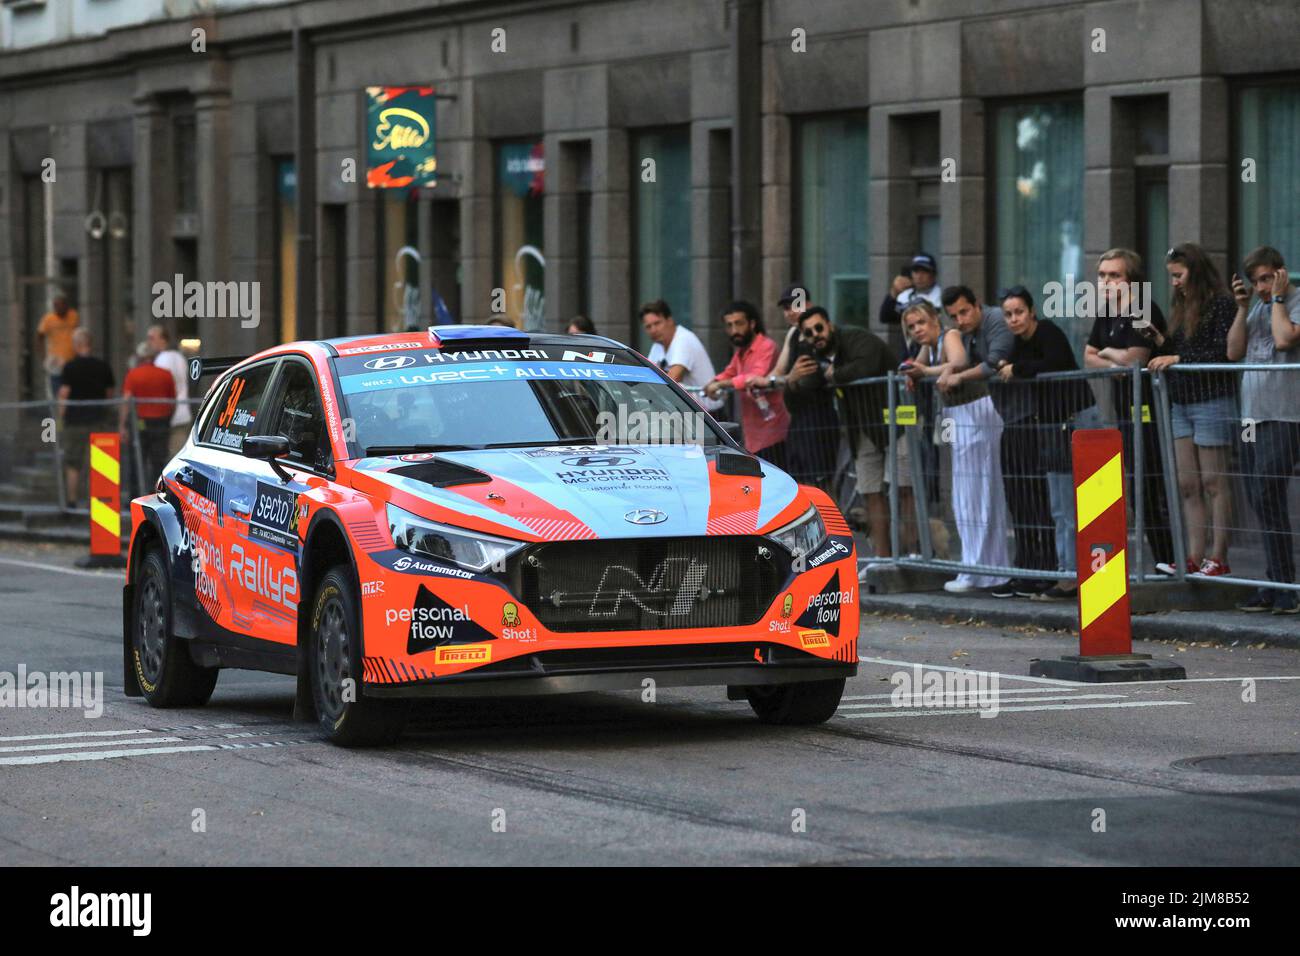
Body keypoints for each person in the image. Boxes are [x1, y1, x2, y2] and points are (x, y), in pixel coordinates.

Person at [787, 307, 915, 562]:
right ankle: (882, 558)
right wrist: (793, 379)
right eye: (809, 333)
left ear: (830, 325)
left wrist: (833, 374)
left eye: (819, 328)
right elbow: (803, 397)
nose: (816, 335)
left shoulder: (856, 338)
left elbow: (865, 366)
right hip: (862, 431)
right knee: (870, 491)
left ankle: (914, 554)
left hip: (895, 421)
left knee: (904, 487)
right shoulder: (816, 356)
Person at [900, 300, 1011, 592]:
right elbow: (921, 365)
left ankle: (982, 569)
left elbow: (959, 361)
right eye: (911, 326)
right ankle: (975, 567)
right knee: (967, 496)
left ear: (935, 318)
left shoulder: (948, 335)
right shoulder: (934, 342)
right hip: (958, 414)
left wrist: (924, 371)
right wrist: (916, 371)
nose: (917, 330)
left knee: (978, 493)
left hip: (974, 410)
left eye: (921, 322)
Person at [1145, 243, 1239, 577]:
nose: (1174, 282)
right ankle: (1193, 556)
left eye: (1178, 275)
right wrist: (1161, 343)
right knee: (1188, 483)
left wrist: (1177, 358)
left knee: (1214, 481)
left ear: (1195, 272)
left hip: (1212, 399)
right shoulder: (1182, 306)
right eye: (1171, 276)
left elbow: (1221, 353)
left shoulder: (1222, 304)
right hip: (1182, 401)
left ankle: (1219, 556)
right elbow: (1182, 349)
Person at [997, 286, 1095, 600]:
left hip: (1077, 417)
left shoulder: (1048, 332)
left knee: (1083, 500)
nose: (1014, 320)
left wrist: (1017, 369)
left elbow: (1053, 362)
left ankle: (1077, 573)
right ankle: (1067, 572)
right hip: (1054, 424)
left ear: (1032, 311)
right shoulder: (1018, 344)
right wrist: (1006, 364)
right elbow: (1002, 364)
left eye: (1019, 312)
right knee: (1060, 502)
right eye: (1008, 314)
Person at [1084, 248, 1177, 576]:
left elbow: (1135, 360)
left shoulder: (1142, 308)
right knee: (1138, 486)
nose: (1107, 282)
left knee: (1152, 484)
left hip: (1151, 410)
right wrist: (1114, 355)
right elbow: (1088, 355)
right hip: (1125, 408)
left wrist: (1110, 353)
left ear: (1132, 280)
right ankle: (1161, 560)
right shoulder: (1107, 311)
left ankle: (1170, 559)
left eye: (1115, 275)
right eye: (1103, 275)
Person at [938, 285, 1031, 596]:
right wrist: (946, 369)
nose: (960, 320)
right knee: (973, 494)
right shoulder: (967, 331)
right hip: (974, 413)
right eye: (954, 316)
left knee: (985, 494)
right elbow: (963, 362)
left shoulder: (993, 319)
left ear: (978, 304)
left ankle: (990, 569)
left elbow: (993, 361)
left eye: (964, 311)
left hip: (995, 412)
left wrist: (957, 375)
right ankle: (984, 569)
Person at [1227, 246, 1300, 614]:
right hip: (1251, 418)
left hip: (1283, 416)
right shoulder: (1256, 307)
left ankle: (1285, 584)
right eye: (1256, 280)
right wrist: (1243, 308)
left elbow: (1285, 339)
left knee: (1269, 489)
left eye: (1267, 278)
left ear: (1282, 274)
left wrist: (1280, 299)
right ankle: (1273, 581)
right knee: (1257, 494)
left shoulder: (1293, 302)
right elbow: (1233, 351)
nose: (1260, 286)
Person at [762, 287, 839, 488]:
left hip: (822, 415)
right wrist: (766, 381)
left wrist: (782, 379)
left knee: (822, 480)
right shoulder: (793, 334)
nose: (790, 312)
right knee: (799, 477)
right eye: (786, 308)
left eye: (795, 305)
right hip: (798, 416)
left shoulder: (822, 332)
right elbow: (780, 371)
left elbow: (824, 371)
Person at [704, 301, 789, 461]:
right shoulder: (741, 352)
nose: (734, 330)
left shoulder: (766, 346)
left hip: (772, 433)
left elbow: (753, 378)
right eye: (729, 325)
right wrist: (713, 383)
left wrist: (719, 384)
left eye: (739, 324)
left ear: (752, 323)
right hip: (752, 435)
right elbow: (729, 372)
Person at [58, 328, 115, 509]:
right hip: (98, 419)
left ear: (77, 345)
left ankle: (72, 501)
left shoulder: (69, 367)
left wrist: (60, 417)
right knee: (101, 462)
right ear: (90, 344)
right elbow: (109, 393)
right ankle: (101, 505)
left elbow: (64, 394)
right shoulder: (103, 366)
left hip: (75, 422)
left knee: (73, 463)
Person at [640, 299, 722, 411]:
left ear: (670, 321)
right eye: (648, 327)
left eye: (657, 323)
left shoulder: (684, 339)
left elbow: (672, 379)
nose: (653, 330)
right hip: (688, 413)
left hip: (710, 417)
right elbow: (647, 378)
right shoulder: (657, 346)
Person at [121, 341, 177, 492]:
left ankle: (134, 495)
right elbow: (172, 400)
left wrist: (122, 425)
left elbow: (126, 401)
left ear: (140, 357)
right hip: (161, 421)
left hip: (140, 422)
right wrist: (167, 418)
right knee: (158, 461)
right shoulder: (166, 374)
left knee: (136, 459)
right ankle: (156, 494)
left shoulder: (133, 374)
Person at [146, 324, 192, 456]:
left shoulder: (162, 360)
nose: (149, 342)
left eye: (152, 338)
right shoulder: (179, 357)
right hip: (183, 413)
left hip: (168, 416)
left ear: (163, 340)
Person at [37, 293, 80, 399]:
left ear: (66, 305)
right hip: (56, 360)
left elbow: (78, 334)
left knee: (72, 390)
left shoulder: (73, 315)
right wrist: (43, 356)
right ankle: (57, 412)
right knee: (57, 389)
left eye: (59, 305)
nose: (57, 308)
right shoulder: (48, 319)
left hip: (71, 359)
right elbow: (40, 336)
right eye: (55, 305)